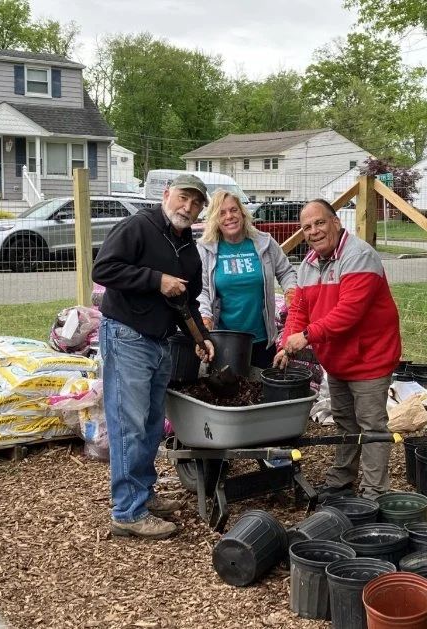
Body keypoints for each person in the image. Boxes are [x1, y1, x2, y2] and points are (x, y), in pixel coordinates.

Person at [93, 174, 215, 539]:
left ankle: (142, 495)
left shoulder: (189, 250)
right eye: (183, 198)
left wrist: (201, 337)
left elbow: (186, 302)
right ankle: (127, 512)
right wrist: (156, 279)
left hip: (160, 342)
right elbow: (104, 269)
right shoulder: (138, 227)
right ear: (166, 195)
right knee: (128, 424)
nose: (187, 208)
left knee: (149, 425)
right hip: (127, 335)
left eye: (195, 204)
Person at [273, 199, 401, 500]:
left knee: (371, 425)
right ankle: (342, 479)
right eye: (307, 227)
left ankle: (374, 493)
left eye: (319, 223)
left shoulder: (359, 256)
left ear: (336, 222)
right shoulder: (308, 264)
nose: (314, 231)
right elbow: (299, 309)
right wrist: (286, 343)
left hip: (370, 355)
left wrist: (306, 336)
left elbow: (350, 311)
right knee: (345, 421)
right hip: (339, 359)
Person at [197, 190, 297, 368]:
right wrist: (205, 319)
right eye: (222, 213)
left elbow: (286, 271)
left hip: (263, 339)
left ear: (242, 213)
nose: (230, 216)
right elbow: (202, 290)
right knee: (227, 392)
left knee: (261, 390)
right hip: (224, 340)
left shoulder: (264, 243)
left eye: (233, 210)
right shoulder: (207, 249)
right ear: (215, 219)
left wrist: (291, 292)